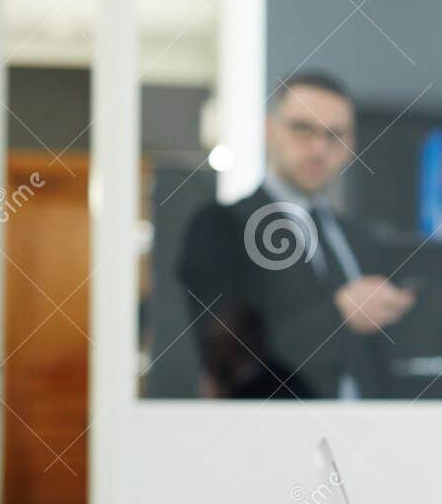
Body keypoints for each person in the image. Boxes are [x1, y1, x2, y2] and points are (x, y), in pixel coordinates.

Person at [177, 70, 415, 398]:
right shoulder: (222, 227)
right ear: (269, 130)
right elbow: (232, 362)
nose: (319, 149)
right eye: (303, 129)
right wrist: (339, 314)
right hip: (275, 436)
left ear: (351, 146)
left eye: (334, 135)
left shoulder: (358, 238)